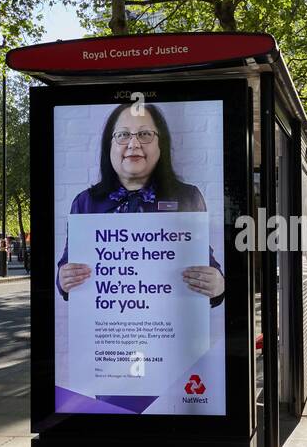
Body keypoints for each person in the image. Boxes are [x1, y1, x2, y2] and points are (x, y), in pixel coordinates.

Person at [57, 102, 224, 306]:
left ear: (160, 144)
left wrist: (217, 283)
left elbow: (204, 262)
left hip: (169, 330)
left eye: (145, 134)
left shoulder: (187, 197)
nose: (133, 144)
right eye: (123, 135)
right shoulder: (86, 202)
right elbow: (67, 266)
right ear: (108, 146)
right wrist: (64, 279)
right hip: (108, 330)